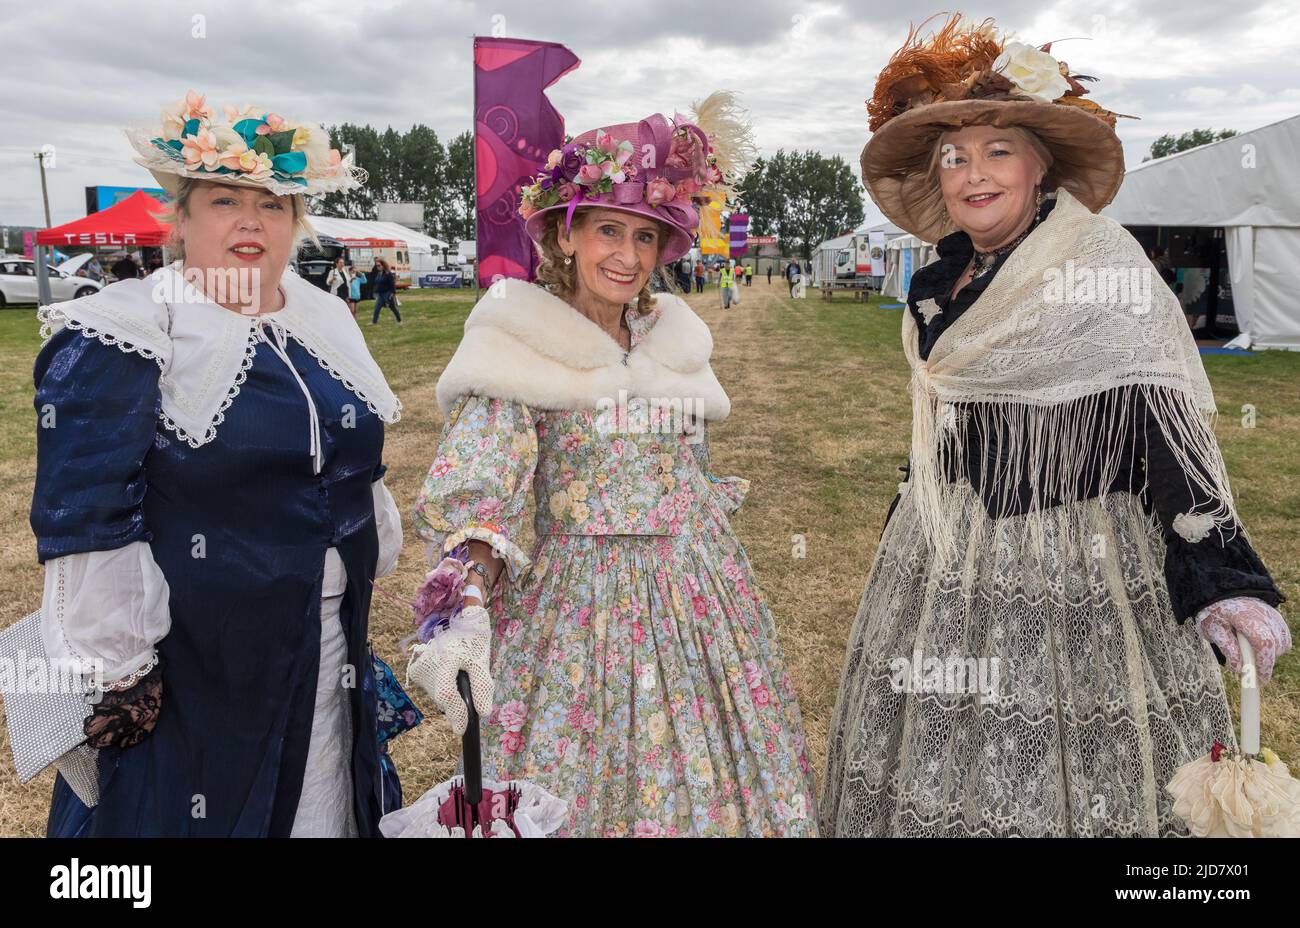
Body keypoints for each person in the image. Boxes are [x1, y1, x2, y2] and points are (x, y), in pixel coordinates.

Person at [821, 15, 1290, 838]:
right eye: (953, 156)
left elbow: (1162, 418)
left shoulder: (1101, 262)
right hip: (945, 554)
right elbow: (944, 427)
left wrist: (1224, 579)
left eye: (997, 149)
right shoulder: (936, 281)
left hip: (1083, 552)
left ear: (1040, 165)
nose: (973, 172)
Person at [409, 105, 818, 837]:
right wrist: (466, 600)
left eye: (644, 236)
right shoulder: (519, 345)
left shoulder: (670, 343)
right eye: (607, 230)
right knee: (579, 781)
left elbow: (690, 468)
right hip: (579, 602)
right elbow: (484, 490)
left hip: (696, 591)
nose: (627, 255)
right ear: (565, 233)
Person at [35, 90, 405, 837]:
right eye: (223, 199)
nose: (250, 220)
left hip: (328, 642)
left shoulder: (322, 317)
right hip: (195, 668)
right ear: (180, 218)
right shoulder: (125, 329)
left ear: (296, 221)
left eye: (272, 204)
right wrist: (124, 669)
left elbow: (358, 471)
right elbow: (93, 517)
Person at [371, 258, 401, 325]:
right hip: (380, 294)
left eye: (379, 265)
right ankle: (374, 322)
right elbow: (377, 284)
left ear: (383, 265)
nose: (377, 267)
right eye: (377, 266)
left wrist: (392, 294)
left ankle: (399, 320)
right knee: (377, 308)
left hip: (387, 294)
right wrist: (375, 292)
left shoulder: (388, 274)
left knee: (393, 308)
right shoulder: (379, 274)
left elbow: (392, 285)